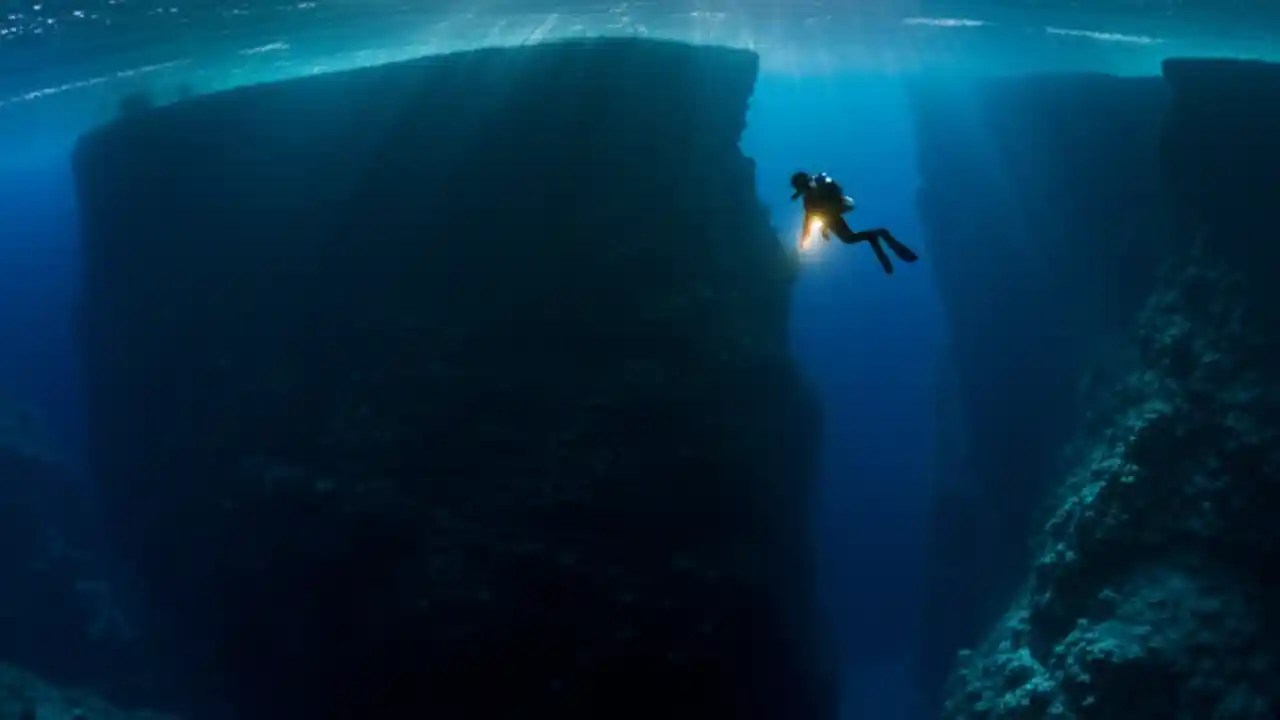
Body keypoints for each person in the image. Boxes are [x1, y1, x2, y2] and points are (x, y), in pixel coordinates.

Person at [789, 171, 919, 274]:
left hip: (835, 211)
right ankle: (874, 235)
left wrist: (807, 236)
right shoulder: (809, 198)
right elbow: (810, 218)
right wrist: (810, 235)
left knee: (848, 238)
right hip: (834, 213)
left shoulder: (813, 195)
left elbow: (812, 217)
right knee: (849, 238)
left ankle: (877, 234)